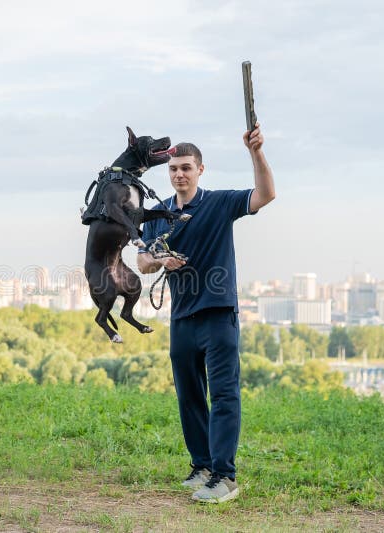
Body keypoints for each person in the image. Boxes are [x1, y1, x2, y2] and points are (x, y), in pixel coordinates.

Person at [136, 123, 275, 503]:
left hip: (218, 313)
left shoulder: (218, 202)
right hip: (182, 318)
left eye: (186, 167)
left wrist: (255, 152)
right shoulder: (160, 213)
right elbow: (143, 260)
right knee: (190, 395)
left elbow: (266, 194)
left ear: (200, 170)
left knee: (225, 395)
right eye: (173, 169)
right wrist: (161, 258)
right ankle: (202, 467)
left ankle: (225, 477)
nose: (179, 174)